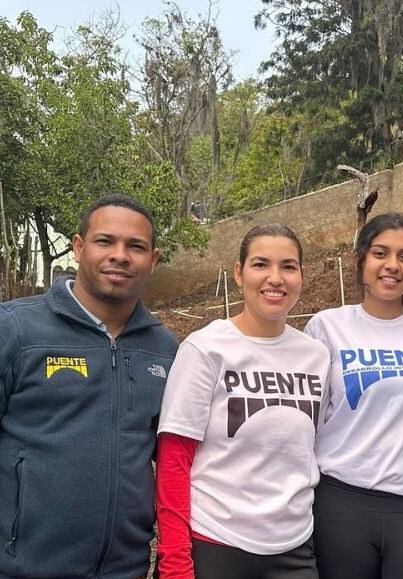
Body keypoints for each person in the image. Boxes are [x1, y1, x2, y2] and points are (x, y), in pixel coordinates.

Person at [0, 193, 179, 579]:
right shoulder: (10, 330)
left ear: (153, 260)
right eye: (105, 241)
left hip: (125, 571)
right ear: (79, 248)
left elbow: (178, 462)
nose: (120, 255)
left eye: (136, 246)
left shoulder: (165, 351)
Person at [155, 224, 328, 579]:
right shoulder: (205, 349)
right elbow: (174, 460)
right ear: (239, 273)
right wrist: (175, 563)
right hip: (216, 545)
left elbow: (312, 451)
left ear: (301, 275)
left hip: (294, 549)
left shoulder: (316, 355)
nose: (275, 278)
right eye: (261, 264)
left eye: (288, 266)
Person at [303, 213, 403, 579]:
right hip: (342, 503)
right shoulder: (325, 327)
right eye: (380, 253)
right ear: (361, 261)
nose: (392, 266)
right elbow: (307, 413)